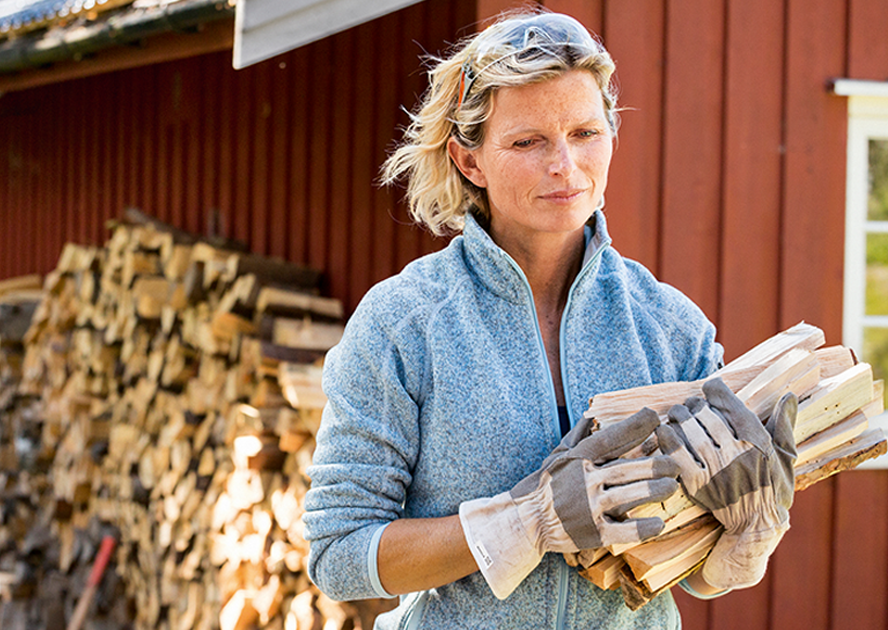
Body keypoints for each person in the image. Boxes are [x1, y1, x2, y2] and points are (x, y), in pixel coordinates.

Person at [302, 10, 794, 629]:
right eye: (527, 141)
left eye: (586, 132)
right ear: (469, 161)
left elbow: (690, 571)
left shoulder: (670, 327)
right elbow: (338, 554)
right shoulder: (405, 323)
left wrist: (744, 540)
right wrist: (525, 521)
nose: (565, 165)